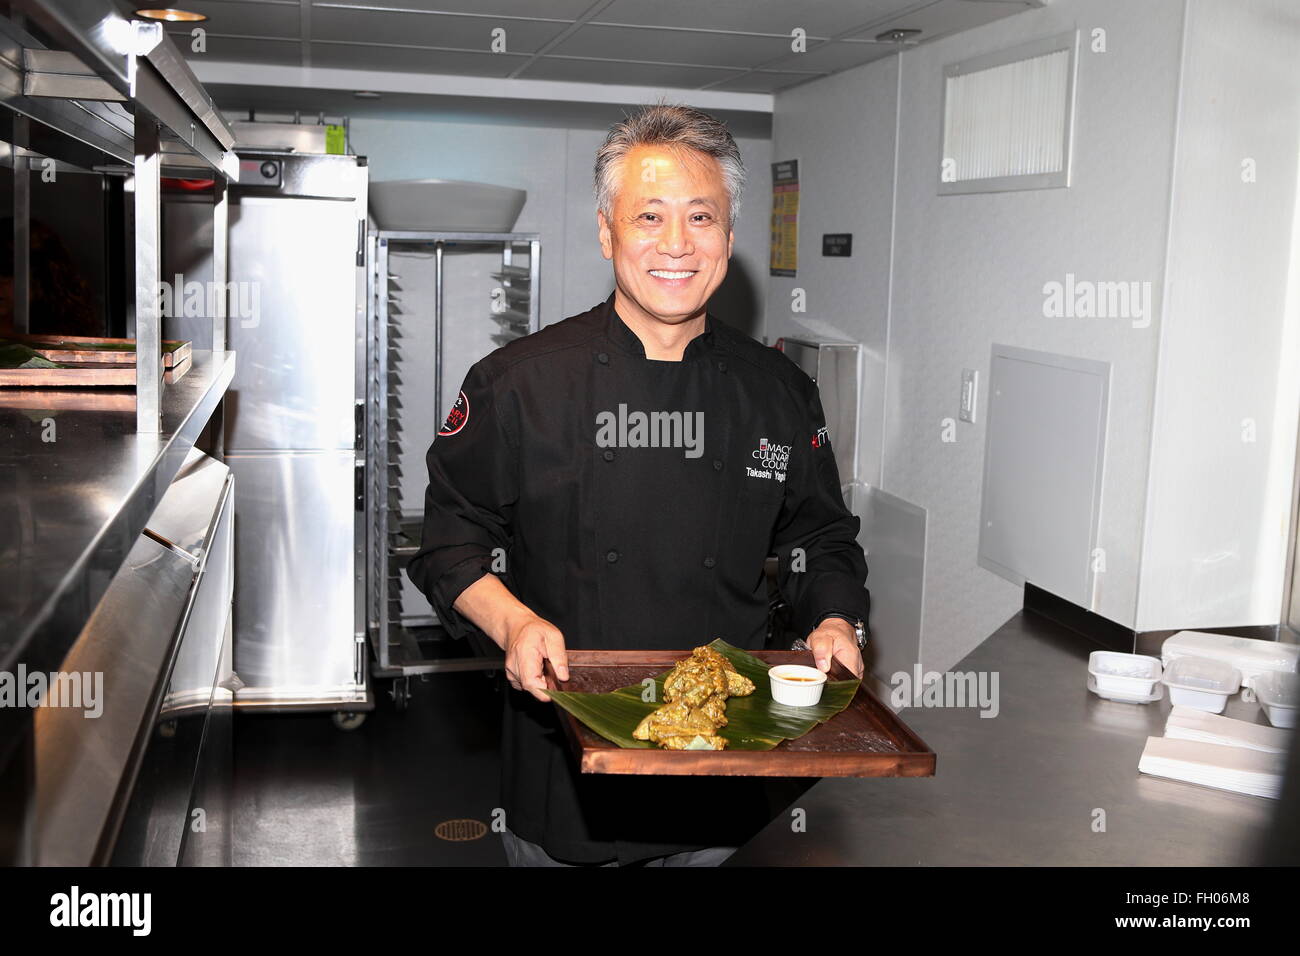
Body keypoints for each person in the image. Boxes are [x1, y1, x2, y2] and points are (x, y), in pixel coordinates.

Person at [407, 103, 870, 867]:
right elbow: (450, 543)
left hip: (724, 767)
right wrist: (515, 626)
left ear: (729, 237)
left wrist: (834, 621)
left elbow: (820, 539)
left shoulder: (779, 393)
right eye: (649, 216)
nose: (677, 244)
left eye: (701, 217)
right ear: (606, 232)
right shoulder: (520, 385)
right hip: (567, 765)